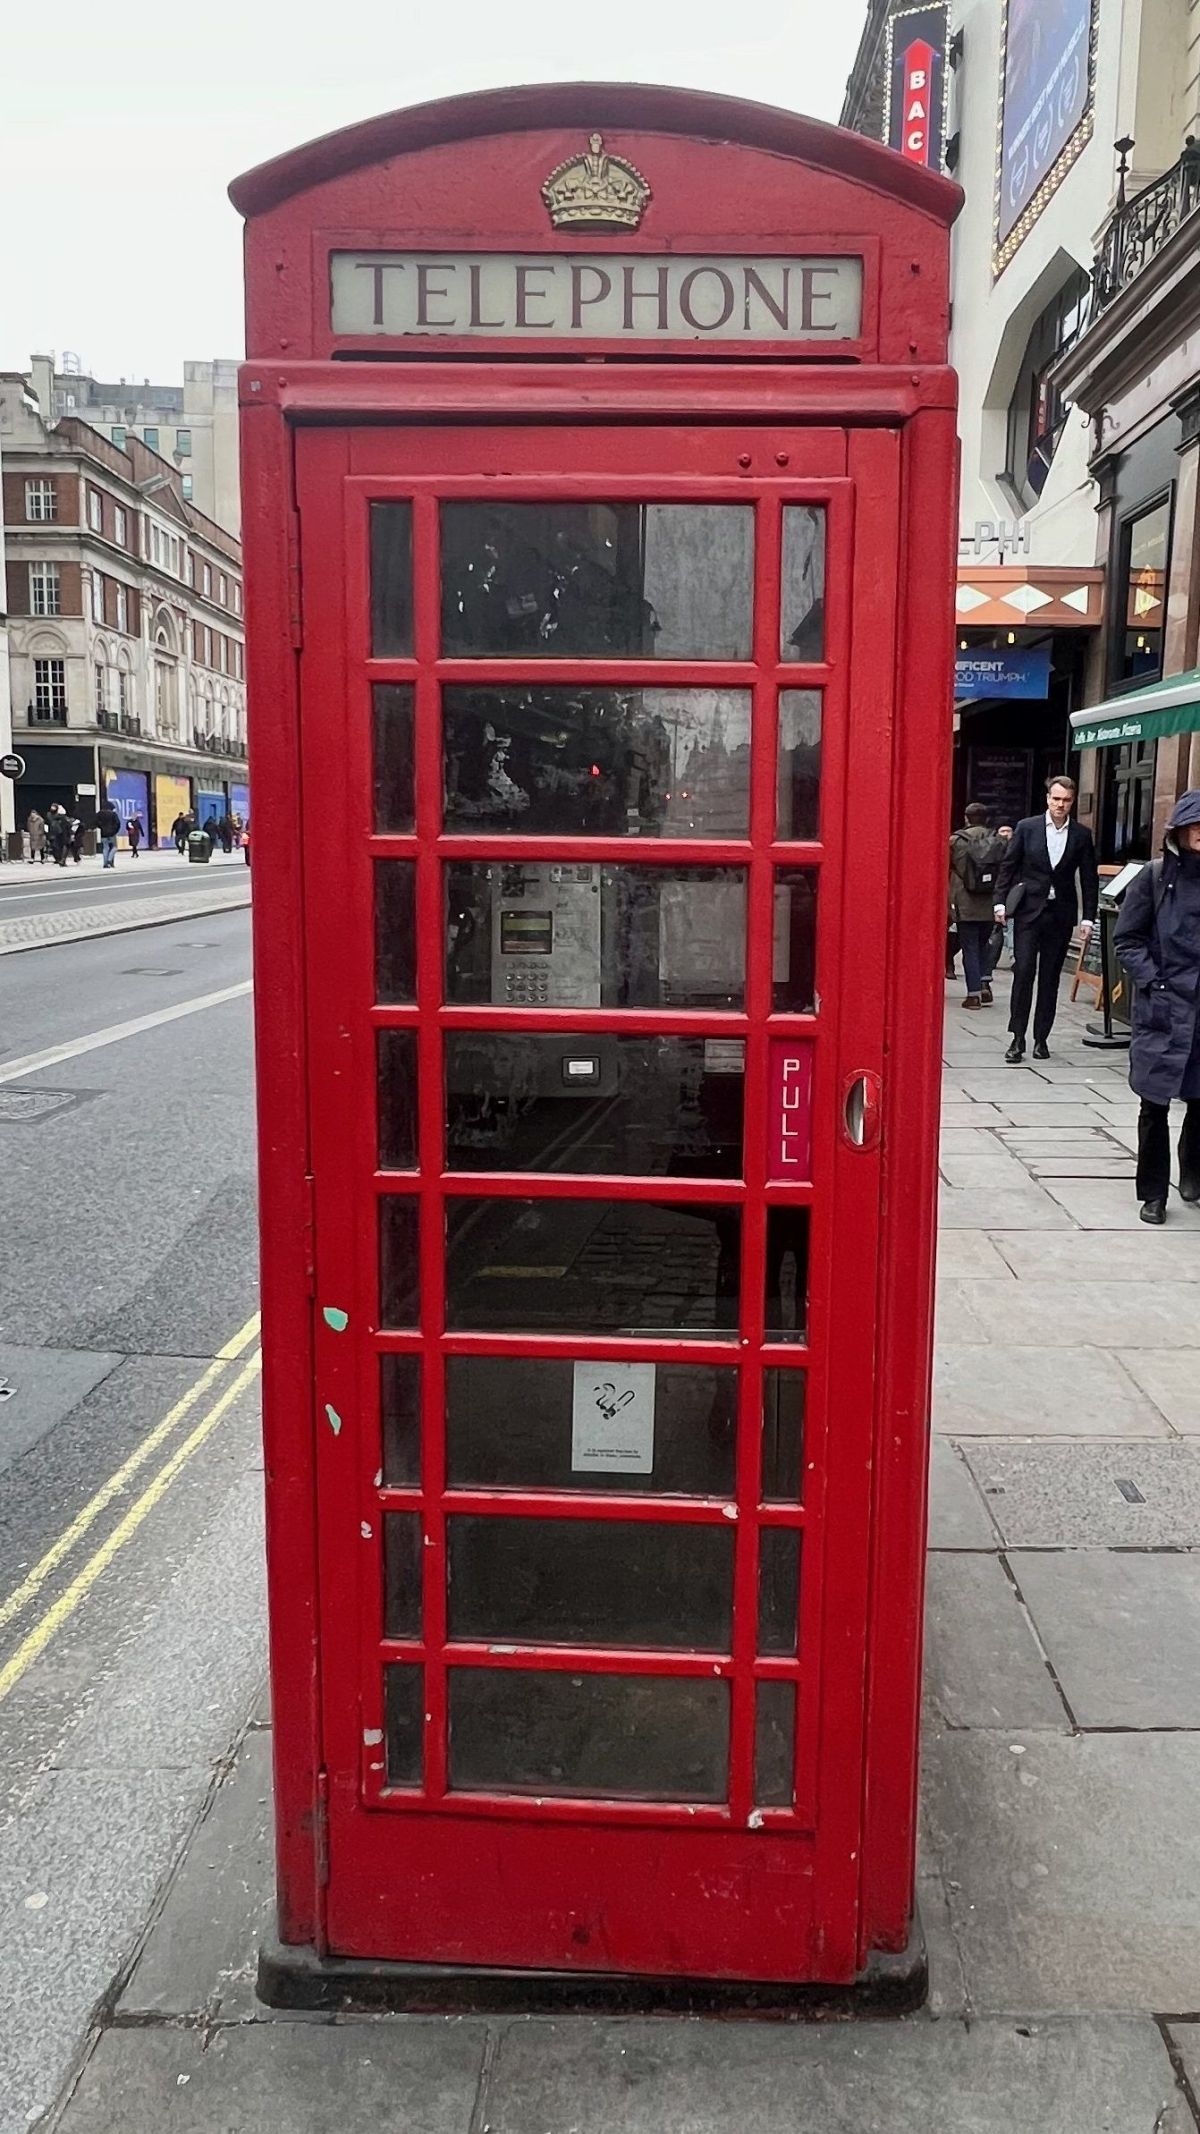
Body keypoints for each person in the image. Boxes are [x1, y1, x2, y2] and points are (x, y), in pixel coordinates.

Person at [1113, 790, 1200, 1225]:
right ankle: (1153, 1192)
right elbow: (1127, 940)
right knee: (1154, 1104)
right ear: (1179, 831)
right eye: (1196, 826)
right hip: (1163, 1007)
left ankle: (1194, 1174)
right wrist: (1154, 981)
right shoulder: (1154, 877)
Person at [994, 774, 1099, 1063]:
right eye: (1056, 799)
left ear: (1072, 802)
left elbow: (1089, 879)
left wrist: (1088, 918)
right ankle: (1017, 1038)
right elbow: (1008, 866)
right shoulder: (1027, 828)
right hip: (1029, 911)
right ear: (1048, 799)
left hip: (1060, 915)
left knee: (1050, 978)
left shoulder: (1081, 835)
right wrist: (999, 902)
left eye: (1066, 800)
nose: (1060, 805)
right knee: (1024, 972)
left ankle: (1041, 1039)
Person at [949, 802, 1005, 1008]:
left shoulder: (955, 841)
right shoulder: (998, 841)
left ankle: (973, 995)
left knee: (970, 948)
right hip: (990, 902)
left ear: (966, 818)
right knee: (984, 945)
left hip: (965, 903)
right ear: (986, 819)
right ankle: (984, 985)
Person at [96, 796, 121, 869]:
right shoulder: (113, 814)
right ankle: (109, 860)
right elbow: (118, 824)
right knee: (115, 847)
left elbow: (96, 822)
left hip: (103, 834)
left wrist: (101, 827)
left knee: (105, 848)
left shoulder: (99, 814)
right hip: (112, 833)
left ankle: (105, 863)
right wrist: (115, 831)